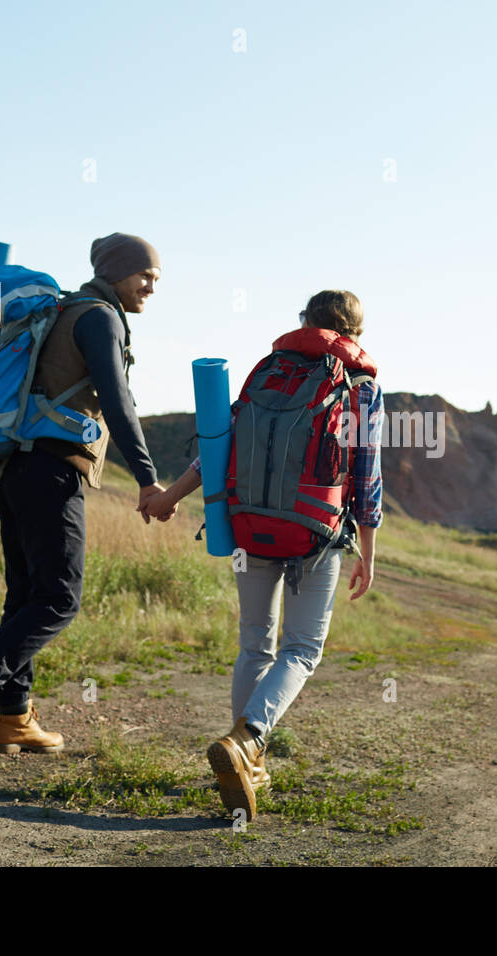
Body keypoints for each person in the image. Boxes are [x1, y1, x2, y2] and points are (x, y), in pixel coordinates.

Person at [0, 233, 168, 774]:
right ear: (117, 271)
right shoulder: (99, 316)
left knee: (26, 595)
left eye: (156, 278)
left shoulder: (63, 312)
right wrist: (147, 478)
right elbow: (118, 402)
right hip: (51, 472)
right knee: (59, 599)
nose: (151, 285)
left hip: (14, 470)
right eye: (145, 274)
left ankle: (14, 716)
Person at [142, 290, 382, 819]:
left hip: (248, 525)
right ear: (354, 334)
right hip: (315, 534)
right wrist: (368, 549)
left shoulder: (269, 369)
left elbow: (218, 446)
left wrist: (168, 498)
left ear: (305, 322)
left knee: (255, 644)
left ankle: (247, 757)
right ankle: (247, 742)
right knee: (301, 649)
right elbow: (365, 475)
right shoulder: (360, 385)